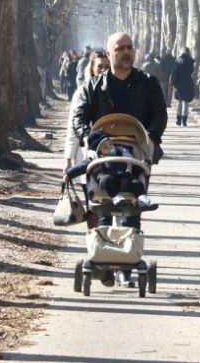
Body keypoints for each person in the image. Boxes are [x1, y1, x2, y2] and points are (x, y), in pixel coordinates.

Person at [70, 32, 167, 287]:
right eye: (120, 48)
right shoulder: (94, 86)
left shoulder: (148, 83)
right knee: (103, 207)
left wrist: (151, 139)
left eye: (130, 48)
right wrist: (89, 139)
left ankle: (127, 263)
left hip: (137, 154)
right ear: (109, 53)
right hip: (102, 155)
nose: (126, 52)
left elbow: (159, 114)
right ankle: (104, 260)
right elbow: (79, 118)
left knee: (132, 207)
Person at [63, 52, 109, 169]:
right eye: (99, 66)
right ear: (92, 69)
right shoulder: (82, 92)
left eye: (107, 67)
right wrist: (68, 160)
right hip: (86, 155)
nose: (104, 70)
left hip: (113, 155)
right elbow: (73, 127)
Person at [170, 47, 196, 126]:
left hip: (178, 84)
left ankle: (178, 119)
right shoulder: (190, 61)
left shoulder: (178, 60)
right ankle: (184, 120)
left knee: (179, 102)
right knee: (185, 103)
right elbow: (191, 71)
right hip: (187, 83)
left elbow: (174, 72)